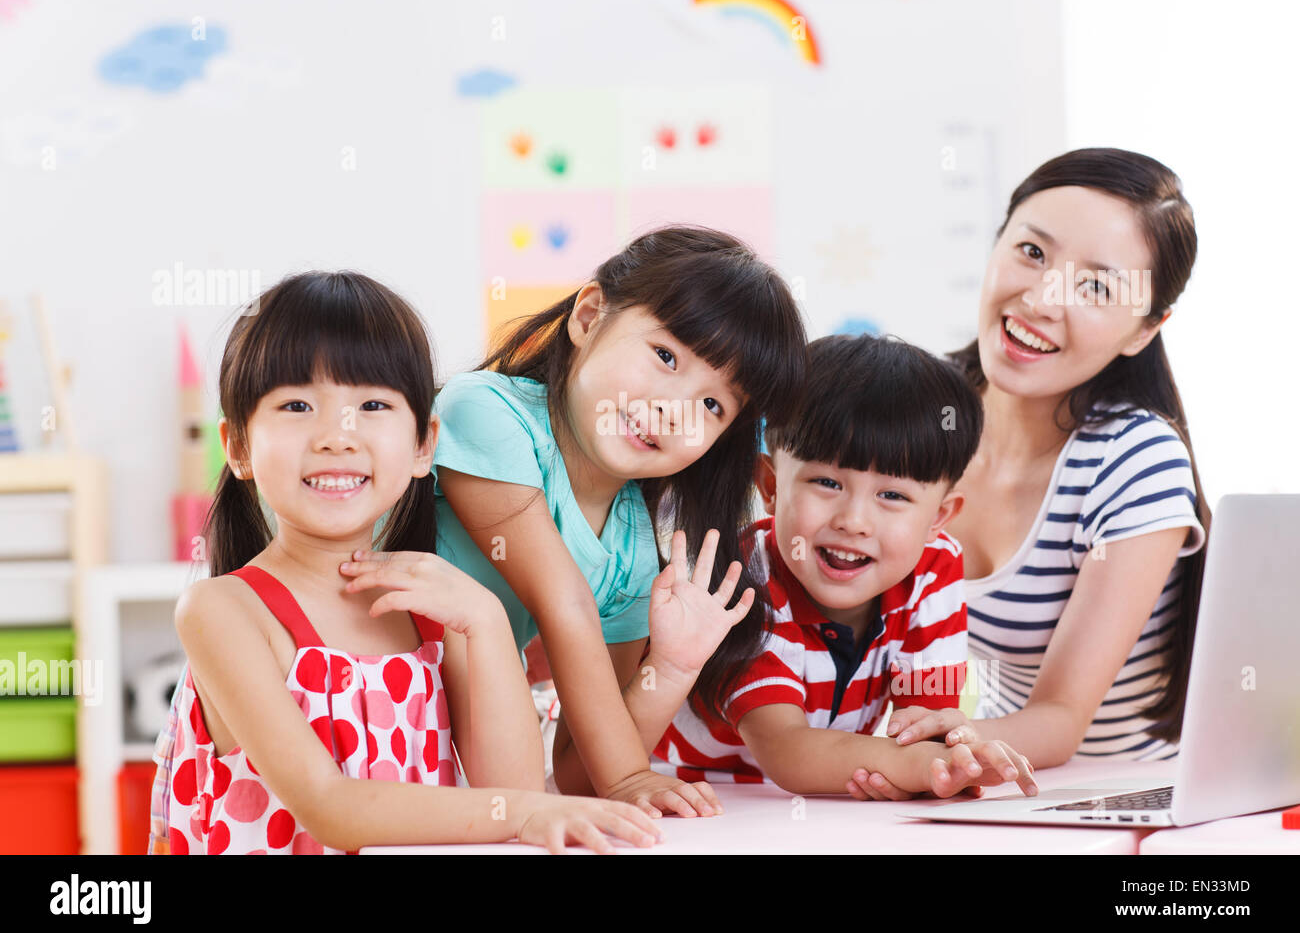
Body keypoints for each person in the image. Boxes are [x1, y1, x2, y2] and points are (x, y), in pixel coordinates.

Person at [150, 271, 660, 854]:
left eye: (372, 404)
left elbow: (511, 791)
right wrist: (526, 811)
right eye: (296, 404)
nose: (336, 437)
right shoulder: (223, 610)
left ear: (425, 444)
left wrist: (486, 619)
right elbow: (330, 808)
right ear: (238, 446)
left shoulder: (438, 610)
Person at [850, 148, 1209, 801]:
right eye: (1032, 253)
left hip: (1140, 793)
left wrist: (943, 751)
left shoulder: (1134, 457)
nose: (1042, 300)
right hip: (1008, 783)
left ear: (1145, 329)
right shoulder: (922, 420)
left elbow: (1061, 720)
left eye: (1097, 287)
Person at [433, 226, 807, 816]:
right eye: (665, 356)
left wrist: (672, 664)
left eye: (713, 405)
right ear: (587, 316)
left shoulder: (632, 544)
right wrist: (630, 776)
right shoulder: (485, 412)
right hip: (328, 700)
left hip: (429, 766)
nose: (674, 410)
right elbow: (563, 602)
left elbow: (581, 775)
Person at [650, 334, 1038, 797]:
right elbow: (788, 750)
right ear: (770, 487)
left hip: (812, 811)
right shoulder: (742, 580)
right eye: (827, 482)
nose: (853, 521)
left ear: (938, 518)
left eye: (892, 495)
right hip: (689, 796)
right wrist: (916, 768)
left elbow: (921, 729)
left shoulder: (933, 569)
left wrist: (945, 759)